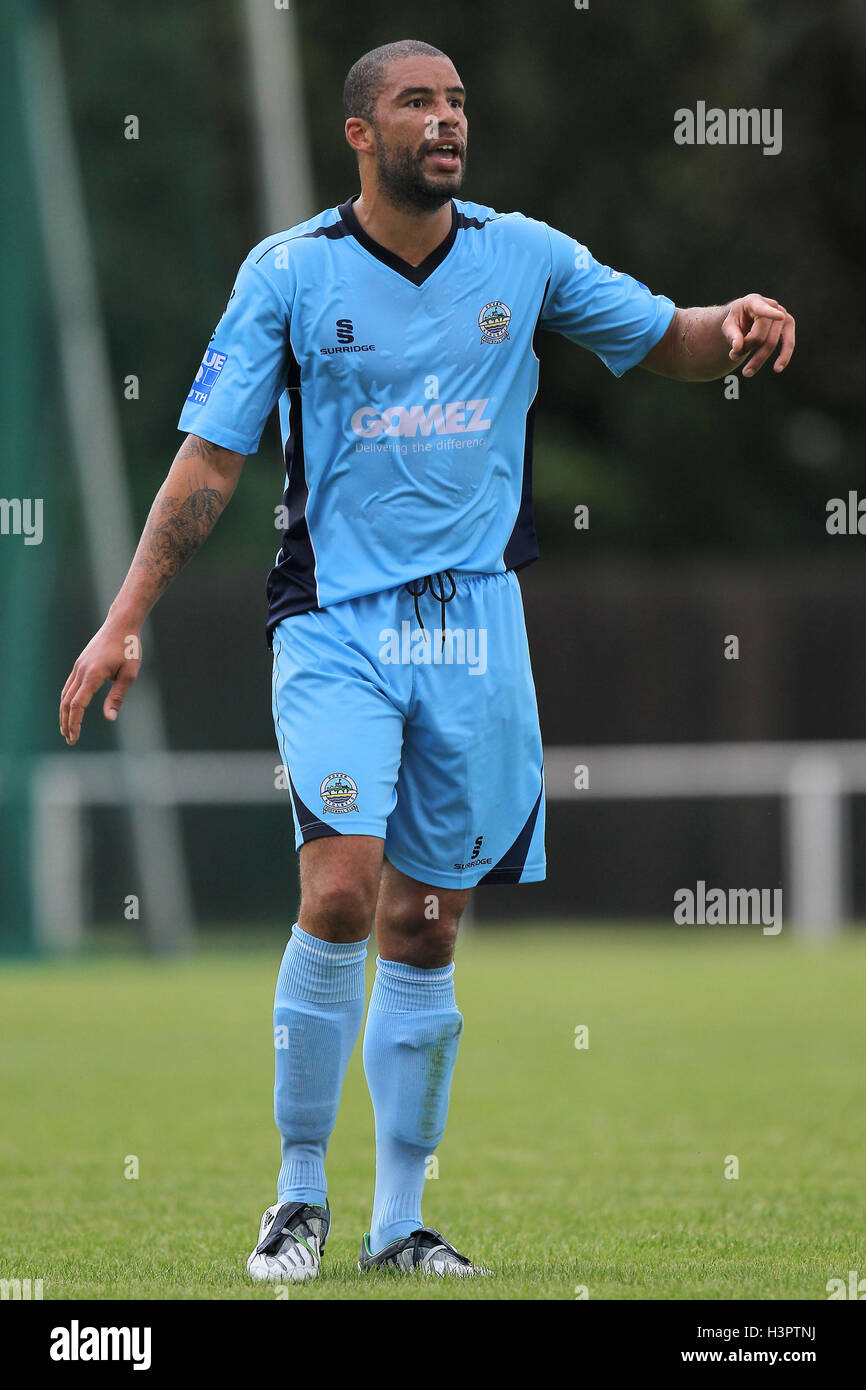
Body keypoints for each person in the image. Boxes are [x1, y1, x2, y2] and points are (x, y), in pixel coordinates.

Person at [59, 38, 795, 1281]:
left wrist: (729, 327)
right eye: (417, 103)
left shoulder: (524, 255)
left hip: (474, 633)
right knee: (339, 889)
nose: (445, 121)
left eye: (457, 102)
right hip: (335, 625)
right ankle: (296, 1199)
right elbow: (210, 460)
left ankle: (400, 1225)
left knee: (424, 924)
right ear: (361, 131)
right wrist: (126, 612)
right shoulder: (288, 273)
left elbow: (663, 335)